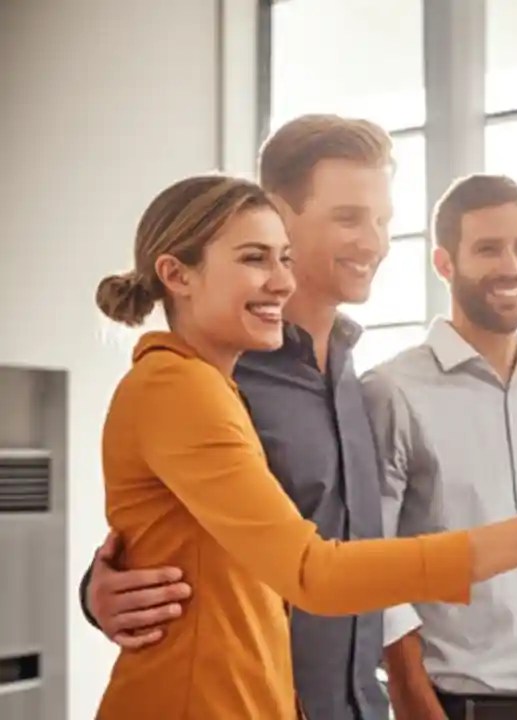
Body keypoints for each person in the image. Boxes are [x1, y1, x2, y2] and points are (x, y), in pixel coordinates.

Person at [90, 173, 517, 720]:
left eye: (282, 258)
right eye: (255, 258)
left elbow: (227, 565)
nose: (282, 282)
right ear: (176, 275)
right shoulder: (181, 387)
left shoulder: (235, 385)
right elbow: (313, 571)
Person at [81, 115, 444, 719]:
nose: (375, 242)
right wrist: (97, 593)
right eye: (350, 218)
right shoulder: (215, 377)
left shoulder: (355, 376)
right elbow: (165, 533)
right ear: (277, 213)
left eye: (383, 221)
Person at [359, 174, 517, 720]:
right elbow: (374, 577)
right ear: (444, 263)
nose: (512, 267)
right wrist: (418, 707)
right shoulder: (393, 391)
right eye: (488, 249)